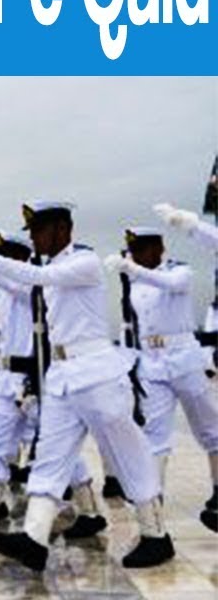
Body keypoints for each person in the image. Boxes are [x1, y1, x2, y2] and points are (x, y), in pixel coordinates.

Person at [0, 201, 174, 570]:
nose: (34, 239)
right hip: (62, 375)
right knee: (50, 456)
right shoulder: (49, 270)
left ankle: (156, 535)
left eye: (38, 231)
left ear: (62, 228)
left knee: (127, 453)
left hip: (96, 371)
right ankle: (34, 538)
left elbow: (32, 277)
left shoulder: (84, 262)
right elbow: (15, 279)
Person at [0, 233, 103, 541]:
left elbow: (7, 279)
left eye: (6, 254)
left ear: (20, 256)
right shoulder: (4, 292)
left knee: (59, 447)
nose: (1, 260)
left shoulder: (31, 285)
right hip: (7, 379)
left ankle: (90, 510)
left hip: (33, 379)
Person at [107, 226, 218, 533]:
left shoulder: (179, 271)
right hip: (152, 364)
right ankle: (153, 509)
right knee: (155, 437)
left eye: (142, 249)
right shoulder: (135, 282)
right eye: (133, 251)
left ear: (159, 248)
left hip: (184, 359)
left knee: (210, 429)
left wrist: (132, 269)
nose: (137, 255)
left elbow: (170, 284)